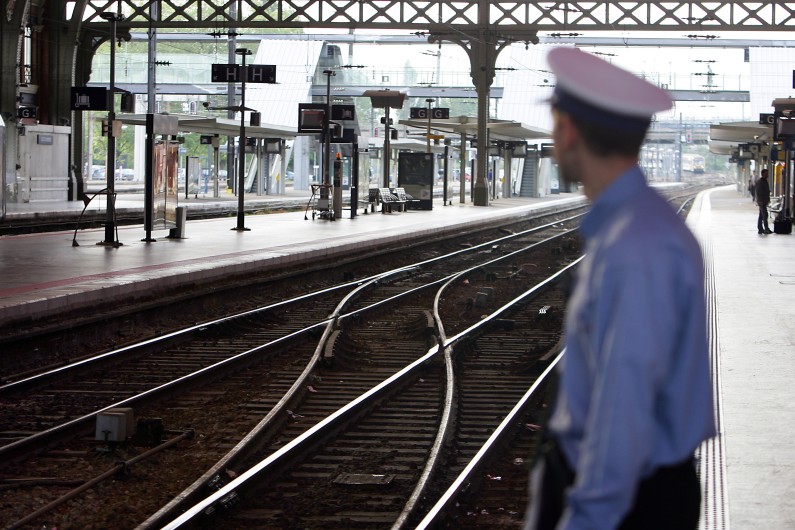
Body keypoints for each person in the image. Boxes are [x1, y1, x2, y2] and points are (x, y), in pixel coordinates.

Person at [524, 47, 716, 530]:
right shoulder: (632, 227)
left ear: (568, 130)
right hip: (637, 490)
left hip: (630, 503)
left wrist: (586, 519)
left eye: (554, 126)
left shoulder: (636, 245)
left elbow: (624, 411)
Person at [756, 169, 772, 234]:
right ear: (762, 174)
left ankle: (760, 229)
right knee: (765, 215)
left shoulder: (765, 181)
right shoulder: (760, 182)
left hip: (764, 201)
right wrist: (760, 201)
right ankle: (766, 229)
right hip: (762, 201)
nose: (767, 175)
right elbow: (759, 192)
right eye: (766, 173)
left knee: (761, 215)